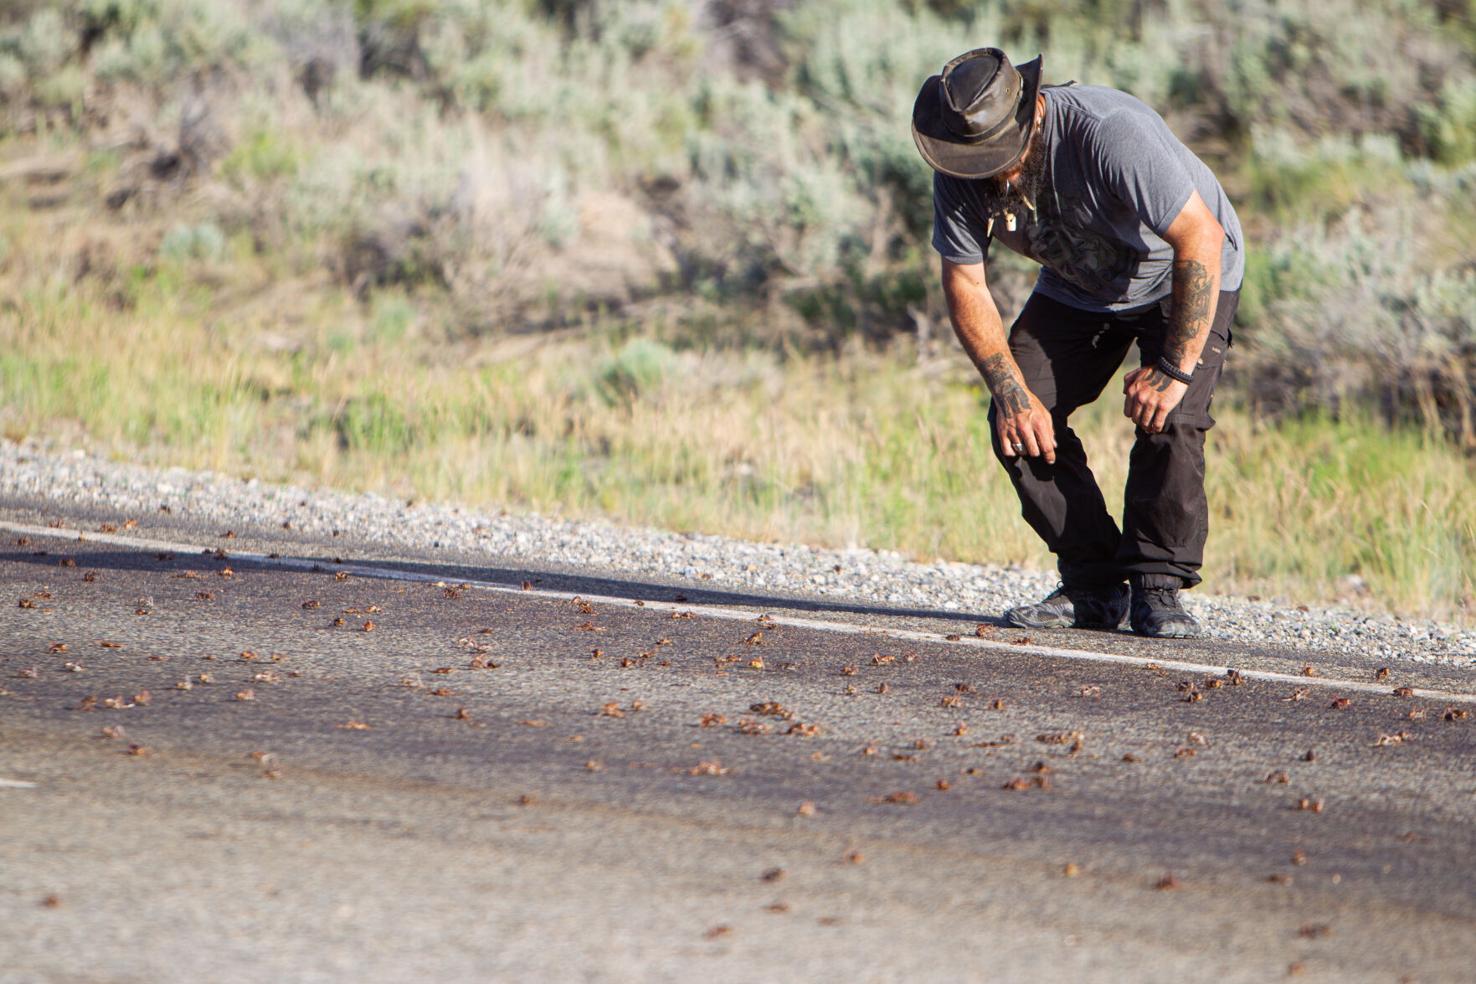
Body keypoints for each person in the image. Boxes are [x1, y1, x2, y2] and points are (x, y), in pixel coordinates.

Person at [910, 48, 1244, 638]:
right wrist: (1010, 389)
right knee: (1018, 419)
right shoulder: (961, 166)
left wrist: (1173, 367)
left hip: (1182, 272)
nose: (996, 174)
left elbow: (1201, 237)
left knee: (1172, 417)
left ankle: (1157, 588)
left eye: (1002, 157)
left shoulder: (1109, 134)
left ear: (1031, 112)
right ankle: (1092, 585)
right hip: (1077, 286)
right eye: (981, 160)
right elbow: (965, 278)